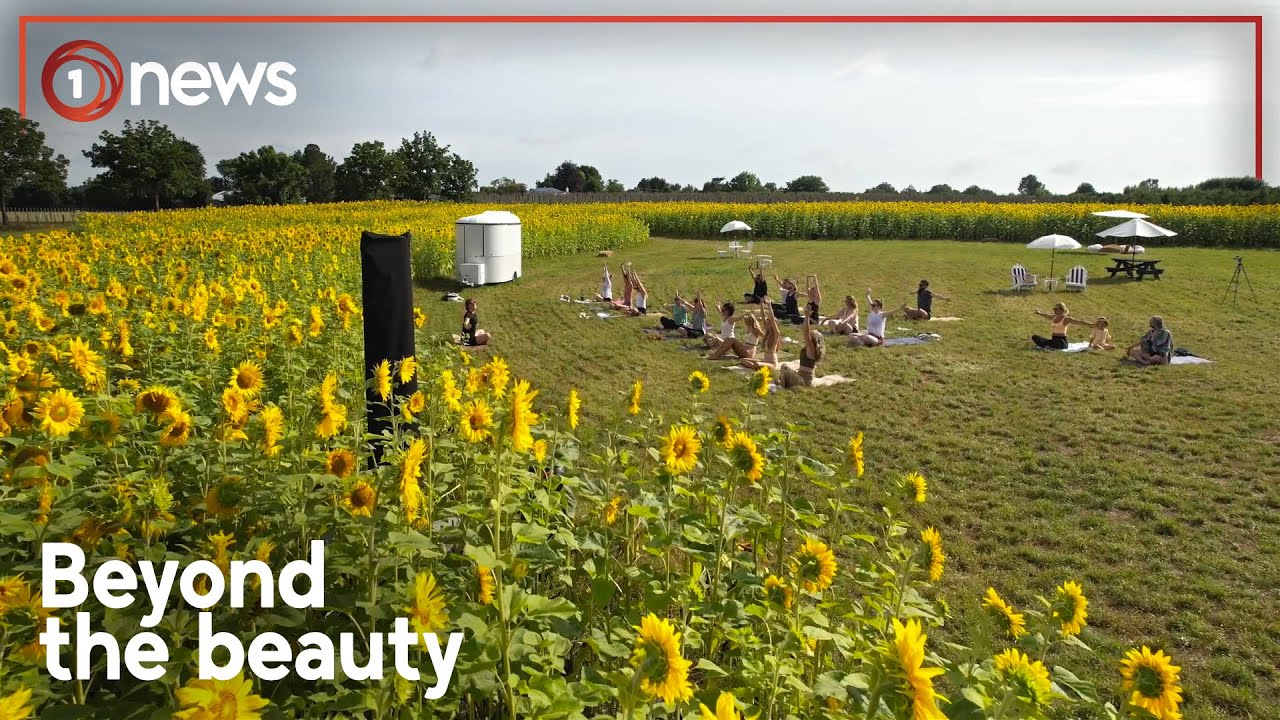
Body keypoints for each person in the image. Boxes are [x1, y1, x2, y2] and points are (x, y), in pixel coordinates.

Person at [780, 312, 825, 388]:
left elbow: (806, 332)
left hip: (804, 380)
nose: (810, 334)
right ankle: (783, 382)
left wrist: (807, 316)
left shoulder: (812, 347)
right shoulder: (810, 346)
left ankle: (782, 384)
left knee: (787, 373)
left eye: (812, 334)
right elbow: (806, 332)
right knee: (784, 366)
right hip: (800, 375)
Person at [741, 298, 783, 370]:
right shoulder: (767, 333)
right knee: (743, 360)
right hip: (764, 361)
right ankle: (756, 367)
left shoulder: (776, 334)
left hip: (772, 364)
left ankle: (757, 367)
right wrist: (761, 304)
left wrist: (769, 306)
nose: (767, 324)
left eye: (768, 323)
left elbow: (772, 320)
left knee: (757, 364)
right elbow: (763, 317)